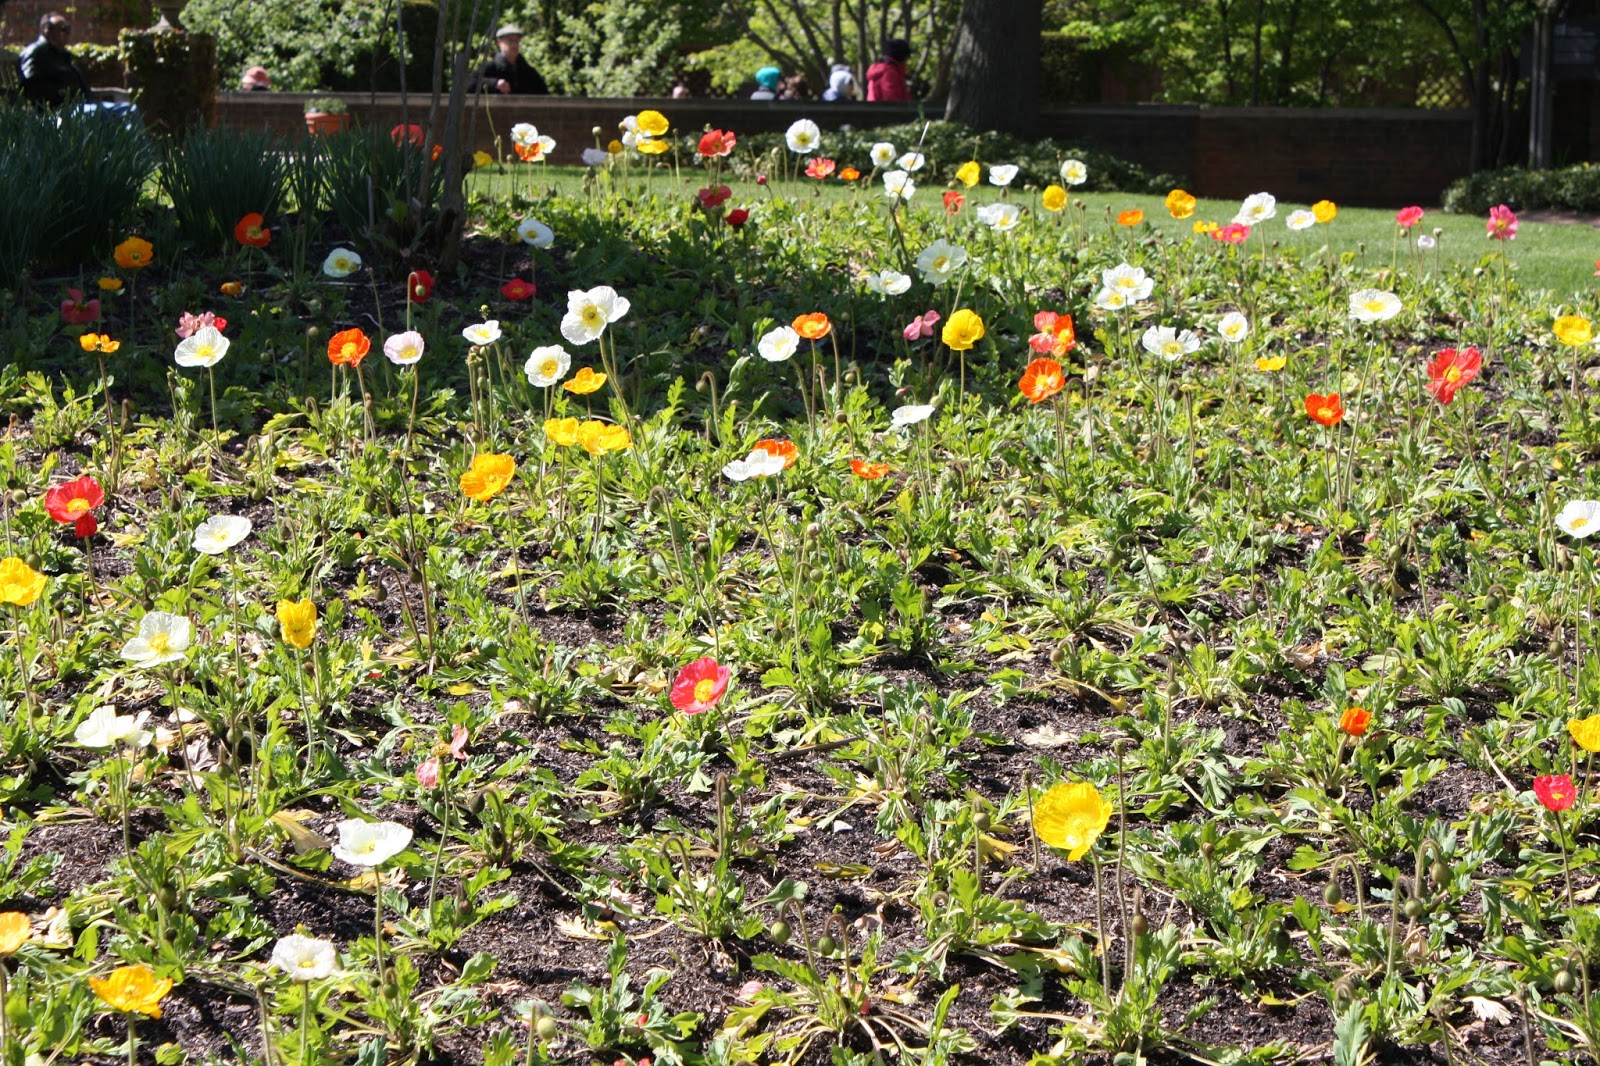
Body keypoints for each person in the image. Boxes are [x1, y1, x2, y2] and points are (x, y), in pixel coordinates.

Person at [19, 12, 90, 108]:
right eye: (63, 29)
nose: (67, 33)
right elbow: (30, 86)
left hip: (77, 105)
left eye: (68, 29)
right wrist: (62, 93)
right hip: (58, 111)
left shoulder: (60, 53)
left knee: (116, 109)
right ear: (47, 30)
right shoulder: (35, 52)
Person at [469, 25, 548, 95]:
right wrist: (494, 83)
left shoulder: (528, 72)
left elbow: (545, 95)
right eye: (510, 41)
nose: (514, 45)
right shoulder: (491, 68)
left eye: (516, 41)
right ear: (499, 42)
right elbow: (468, 84)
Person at [866, 38, 912, 102]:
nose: (907, 61)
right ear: (901, 57)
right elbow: (892, 103)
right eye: (907, 57)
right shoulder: (890, 73)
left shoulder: (881, 71)